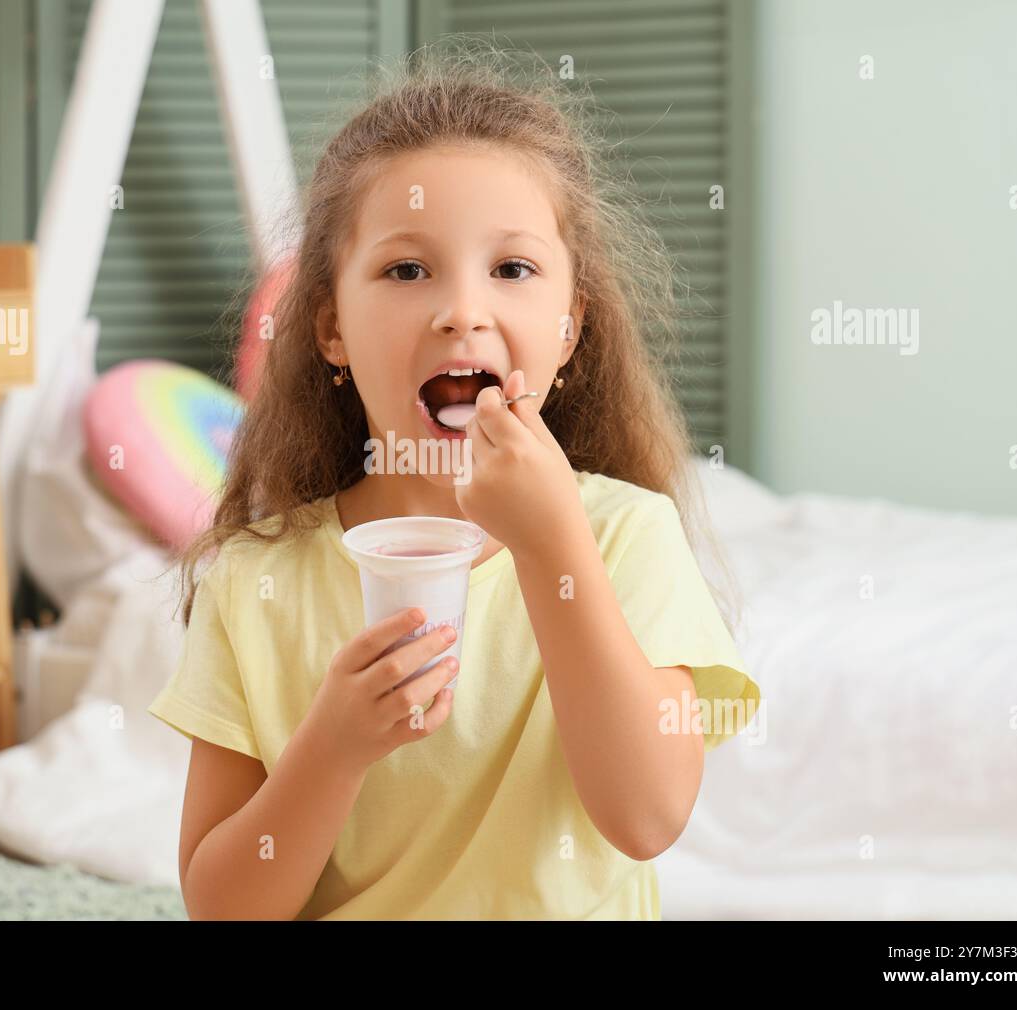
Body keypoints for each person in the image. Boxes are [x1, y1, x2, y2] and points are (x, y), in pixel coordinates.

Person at [149, 38, 761, 920]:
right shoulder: (257, 581)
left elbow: (648, 816)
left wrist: (553, 544)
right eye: (407, 269)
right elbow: (223, 908)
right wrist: (332, 748)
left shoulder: (628, 537)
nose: (462, 310)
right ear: (329, 330)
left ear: (568, 327)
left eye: (512, 269)